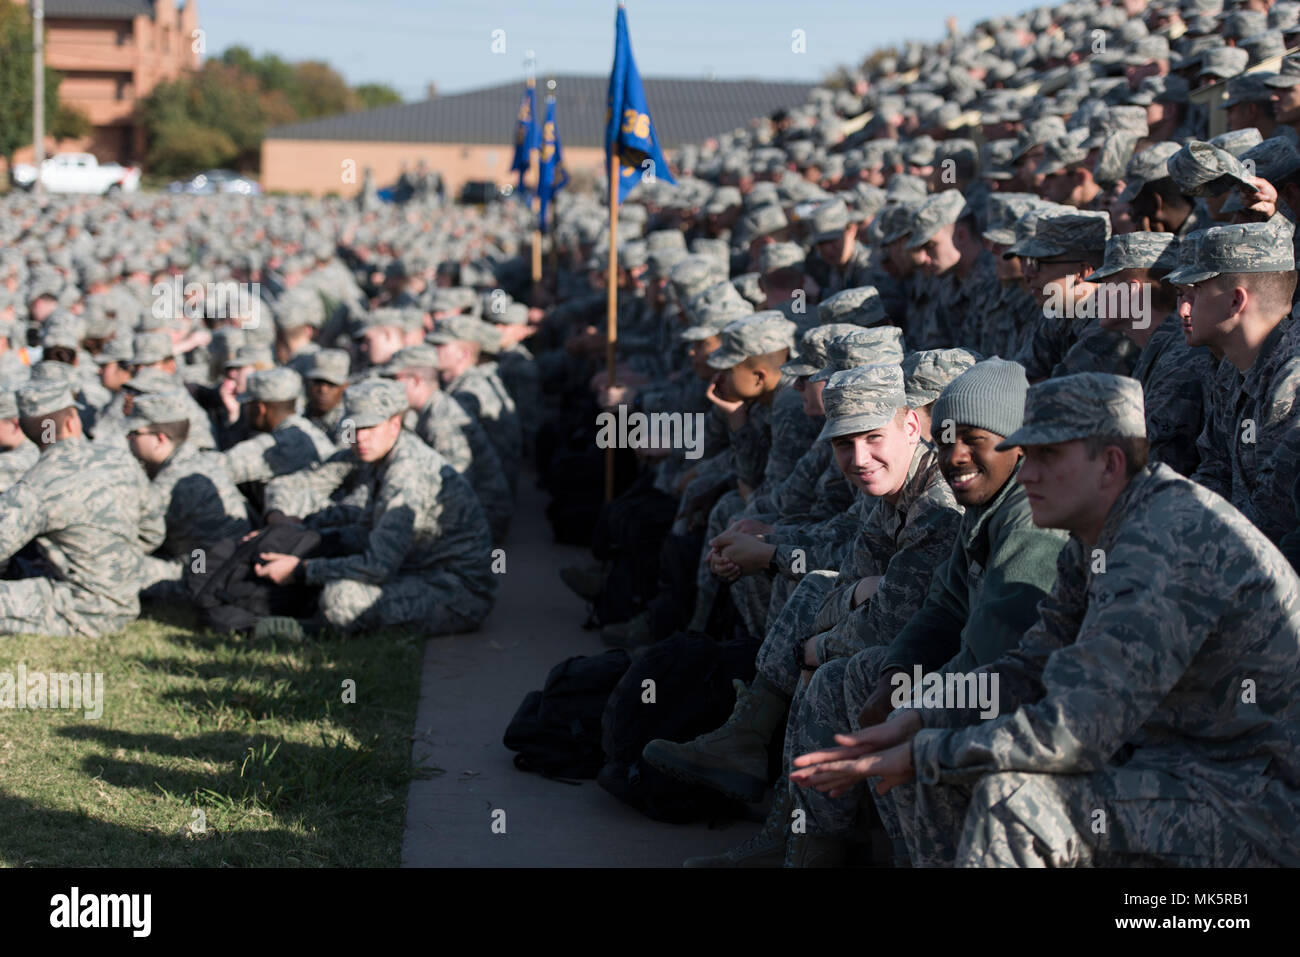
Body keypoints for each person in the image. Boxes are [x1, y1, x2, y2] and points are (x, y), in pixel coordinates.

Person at [792, 374, 1300, 867]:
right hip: (1169, 762)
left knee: (1017, 803)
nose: (1027, 472)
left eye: (1047, 456)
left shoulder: (1164, 542)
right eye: (1027, 453)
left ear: (1110, 464)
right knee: (944, 762)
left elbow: (1076, 729)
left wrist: (926, 750)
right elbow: (1032, 662)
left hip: (1250, 795)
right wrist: (923, 718)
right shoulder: (1101, 530)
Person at [256, 379, 497, 636]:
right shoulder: (383, 457)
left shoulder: (407, 472)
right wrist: (304, 542)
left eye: (370, 427)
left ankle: (308, 631)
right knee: (334, 572)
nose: (360, 438)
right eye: (354, 427)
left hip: (457, 592)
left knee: (341, 598)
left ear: (394, 425)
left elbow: (379, 566)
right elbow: (365, 533)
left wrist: (302, 570)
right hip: (420, 570)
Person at [0, 379, 163, 637]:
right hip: (129, 597)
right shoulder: (120, 459)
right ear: (71, 421)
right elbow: (153, 533)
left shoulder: (35, 486)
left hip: (82, 610)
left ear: (27, 430)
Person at [125, 389, 252, 600]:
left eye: (135, 433)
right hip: (210, 558)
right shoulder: (192, 459)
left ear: (160, 439)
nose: (128, 438)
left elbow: (142, 535)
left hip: (201, 568)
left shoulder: (173, 479)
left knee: (116, 564)